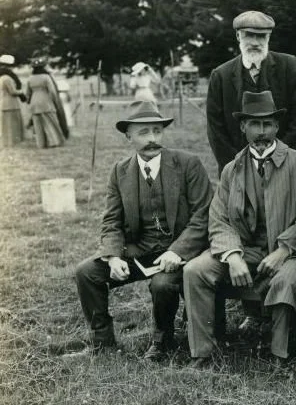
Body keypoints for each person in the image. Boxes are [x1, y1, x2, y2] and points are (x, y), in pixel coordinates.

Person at [73, 101, 213, 359]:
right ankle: (102, 342)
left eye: (157, 131)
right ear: (128, 136)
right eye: (144, 133)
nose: (152, 139)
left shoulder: (188, 164)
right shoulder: (120, 171)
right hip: (140, 250)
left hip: (178, 251)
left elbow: (203, 215)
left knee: (162, 285)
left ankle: (162, 340)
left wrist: (178, 252)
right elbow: (112, 221)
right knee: (87, 273)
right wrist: (113, 256)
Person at [183, 91, 296, 368]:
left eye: (267, 124)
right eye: (254, 124)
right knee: (195, 270)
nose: (261, 132)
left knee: (286, 279)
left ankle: (280, 355)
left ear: (277, 127)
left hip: (289, 251)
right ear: (243, 127)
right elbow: (218, 218)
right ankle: (203, 352)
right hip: (245, 249)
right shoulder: (232, 168)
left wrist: (284, 249)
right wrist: (232, 255)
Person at [206, 11, 296, 173]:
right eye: (249, 35)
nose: (255, 42)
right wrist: (239, 165)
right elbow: (216, 130)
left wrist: (279, 159)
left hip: (284, 167)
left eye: (261, 36)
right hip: (238, 169)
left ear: (268, 37)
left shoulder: (289, 66)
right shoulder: (221, 75)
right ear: (238, 36)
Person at [26, 58, 68, 148]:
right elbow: (52, 91)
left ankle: (41, 144)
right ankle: (56, 141)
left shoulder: (30, 78)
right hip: (45, 101)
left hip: (34, 101)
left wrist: (29, 100)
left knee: (38, 125)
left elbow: (28, 93)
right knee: (51, 122)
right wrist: (55, 101)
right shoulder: (46, 77)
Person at [0, 54, 25, 148]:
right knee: (12, 124)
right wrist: (21, 92)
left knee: (6, 124)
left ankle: (7, 141)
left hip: (3, 102)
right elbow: (13, 92)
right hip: (10, 103)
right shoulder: (7, 78)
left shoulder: (1, 78)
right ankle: (12, 141)